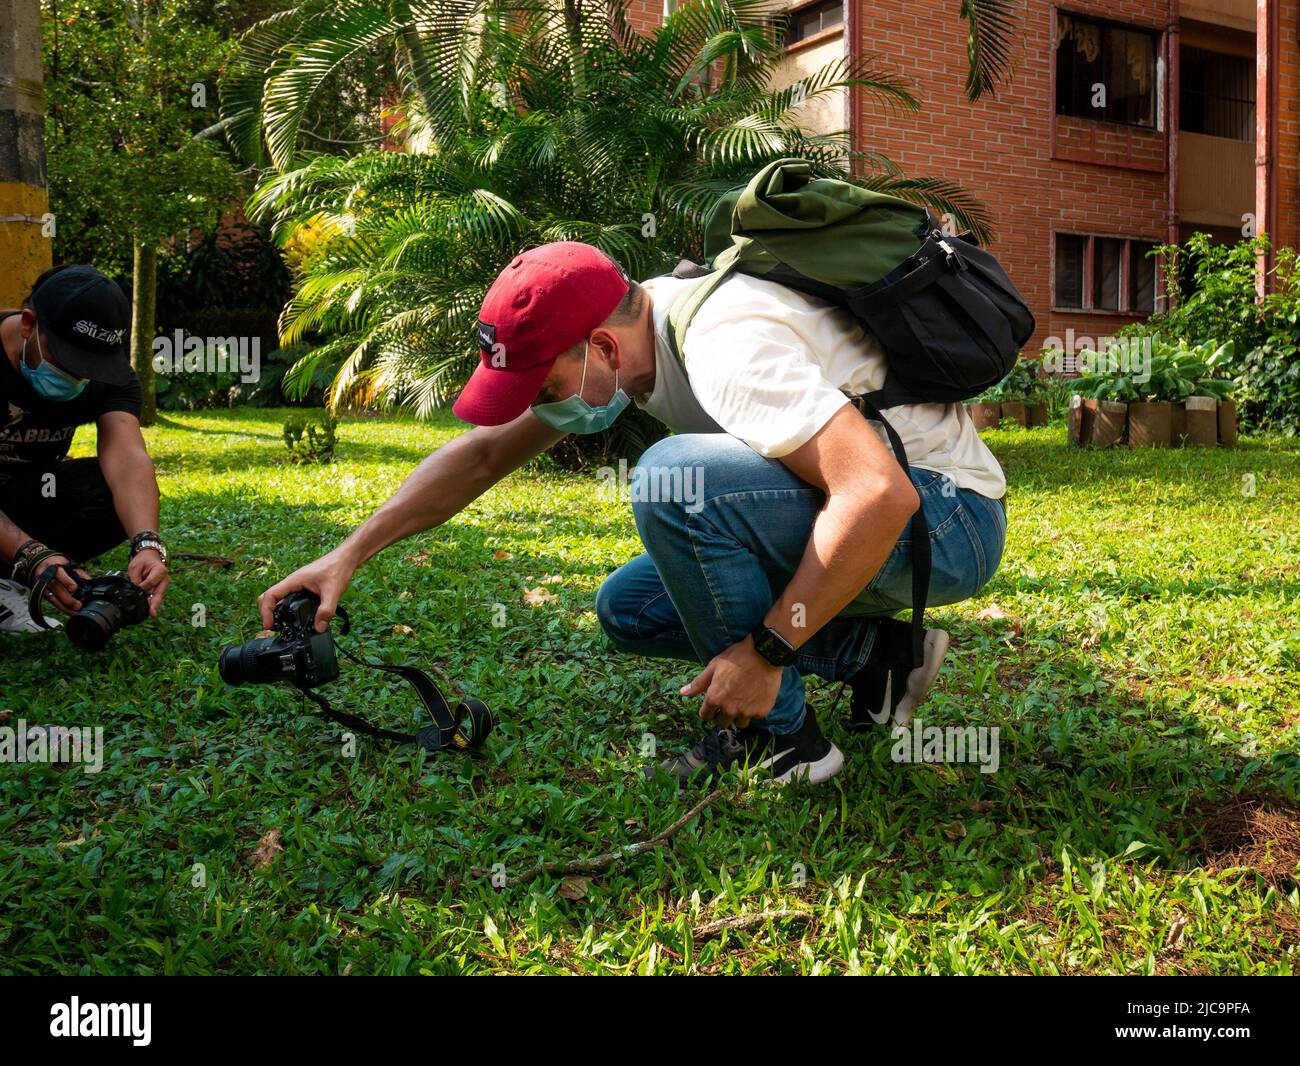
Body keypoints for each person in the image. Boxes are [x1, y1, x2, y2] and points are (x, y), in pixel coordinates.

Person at [258, 241, 1006, 786]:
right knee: (631, 609)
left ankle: (788, 745)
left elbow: (879, 494)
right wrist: (347, 554)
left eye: (545, 387)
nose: (542, 407)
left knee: (667, 479)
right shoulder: (632, 342)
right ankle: (878, 659)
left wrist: (768, 653)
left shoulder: (724, 344)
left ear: (600, 347)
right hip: (882, 521)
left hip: (947, 525)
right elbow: (482, 457)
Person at [0, 264, 169, 633]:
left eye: (89, 368)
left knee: (113, 494)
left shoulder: (109, 375)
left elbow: (127, 460)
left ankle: (10, 577)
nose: (78, 378)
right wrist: (30, 552)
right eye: (69, 361)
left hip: (20, 496)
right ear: (29, 324)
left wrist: (147, 545)